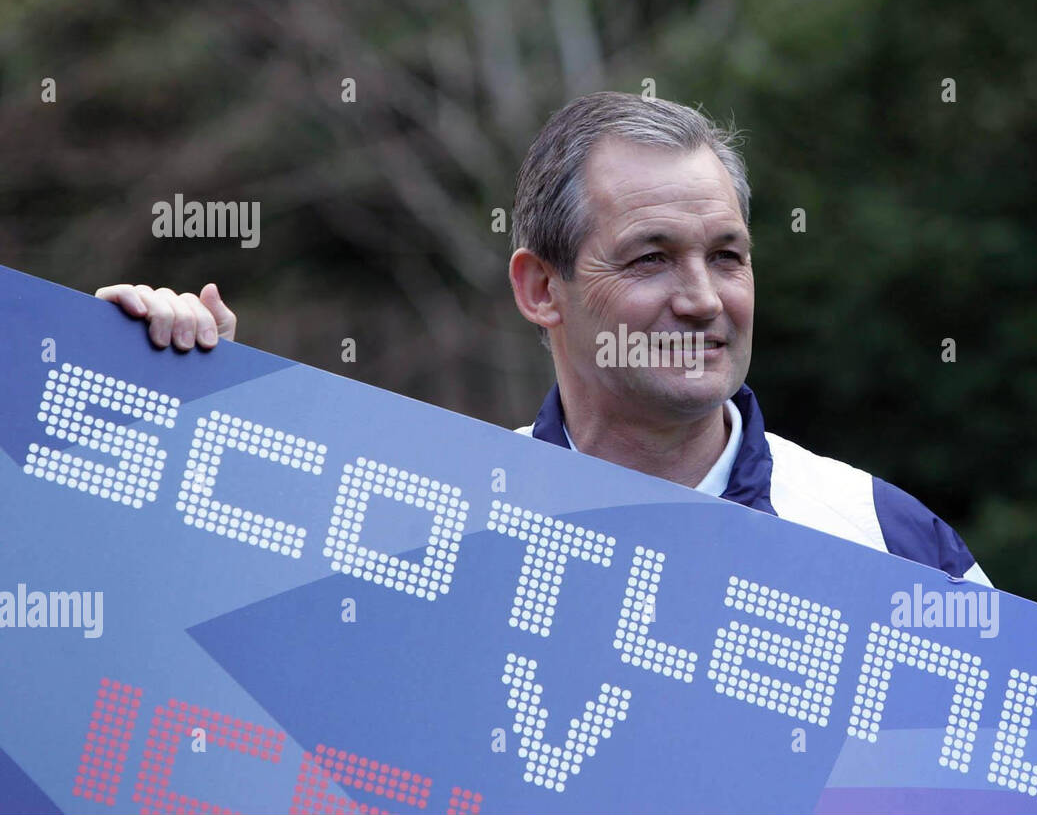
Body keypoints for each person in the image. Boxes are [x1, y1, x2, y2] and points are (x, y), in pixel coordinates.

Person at [96, 91, 991, 587]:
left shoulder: (893, 541)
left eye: (728, 256)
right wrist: (168, 398)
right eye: (649, 258)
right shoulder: (426, 526)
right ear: (539, 289)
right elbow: (193, 654)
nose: (701, 300)